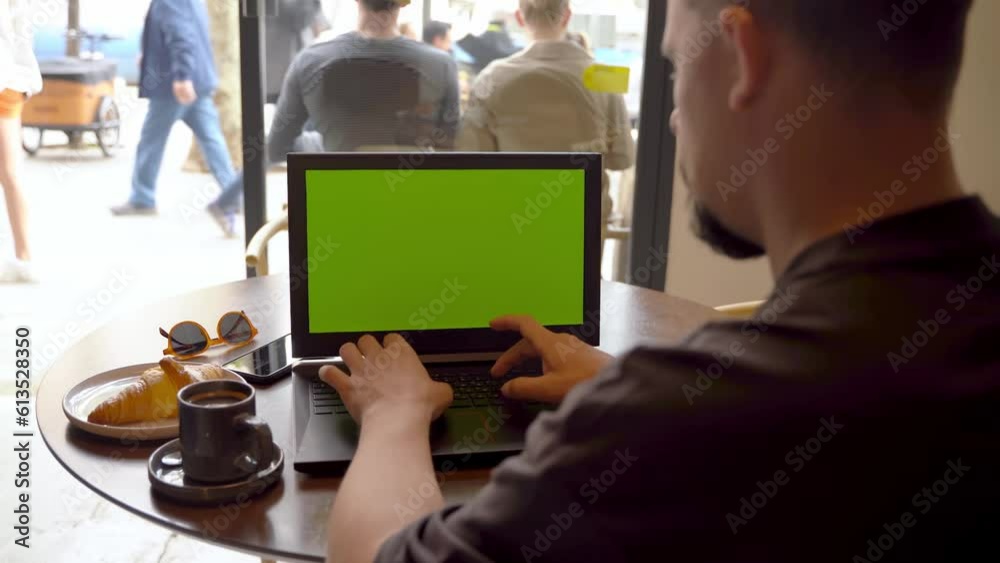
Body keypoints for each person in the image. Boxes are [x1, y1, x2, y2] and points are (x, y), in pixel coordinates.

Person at [316, 0, 1000, 562]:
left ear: (742, 55)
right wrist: (621, 381)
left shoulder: (674, 423)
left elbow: (378, 554)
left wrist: (394, 412)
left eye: (673, 67)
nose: (673, 114)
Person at [207, 0, 459, 235]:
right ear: (403, 4)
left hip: (335, 213)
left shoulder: (310, 60)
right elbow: (451, 145)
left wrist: (325, 143)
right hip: (415, 216)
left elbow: (276, 148)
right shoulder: (442, 64)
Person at [456, 0, 635, 236]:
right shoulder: (605, 76)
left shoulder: (491, 78)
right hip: (583, 224)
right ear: (567, 16)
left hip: (514, 220)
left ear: (520, 18)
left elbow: (470, 157)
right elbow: (622, 158)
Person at [110, 0, 236, 225]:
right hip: (197, 80)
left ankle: (142, 198)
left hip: (174, 86)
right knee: (212, 140)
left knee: (151, 141)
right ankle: (234, 194)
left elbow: (181, 36)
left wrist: (182, 76)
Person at [0, 0, 41, 283]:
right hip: (9, 82)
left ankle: (25, 258)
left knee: (11, 173)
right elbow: (22, 34)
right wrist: (26, 82)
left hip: (8, 82)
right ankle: (25, 258)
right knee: (11, 172)